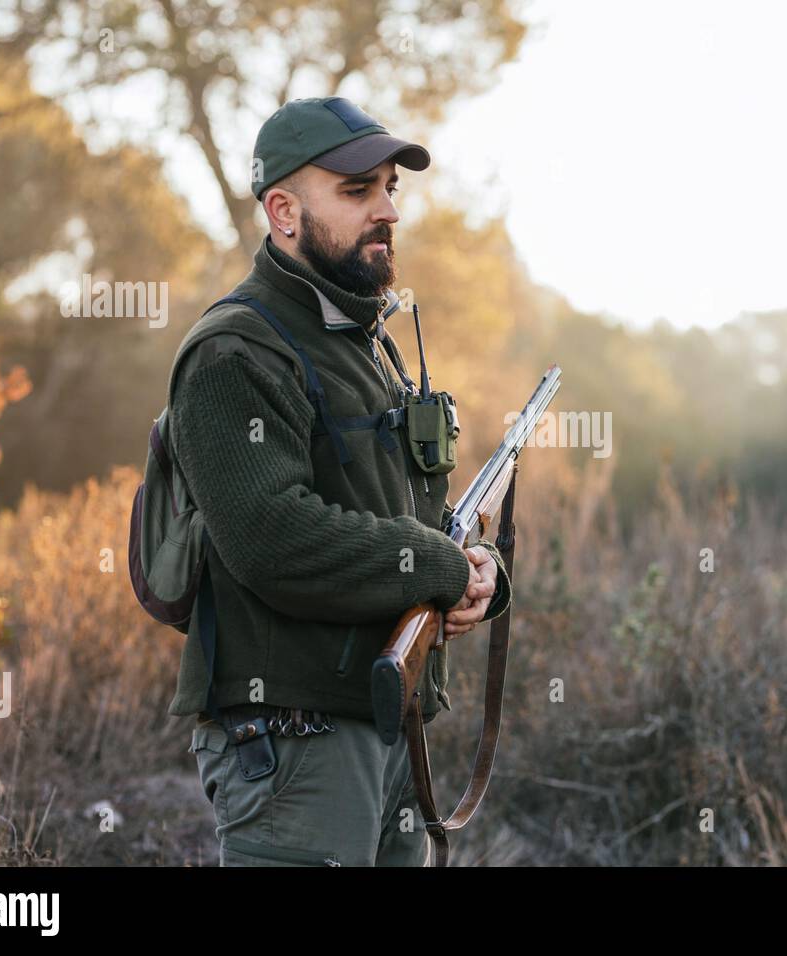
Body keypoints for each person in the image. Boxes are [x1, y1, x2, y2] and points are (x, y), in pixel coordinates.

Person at [166, 97, 511, 866]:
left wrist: (473, 575)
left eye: (391, 188)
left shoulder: (363, 343)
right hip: (293, 743)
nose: (387, 209)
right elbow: (272, 537)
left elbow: (399, 517)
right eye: (357, 192)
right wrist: (437, 566)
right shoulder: (234, 352)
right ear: (282, 210)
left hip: (387, 724)